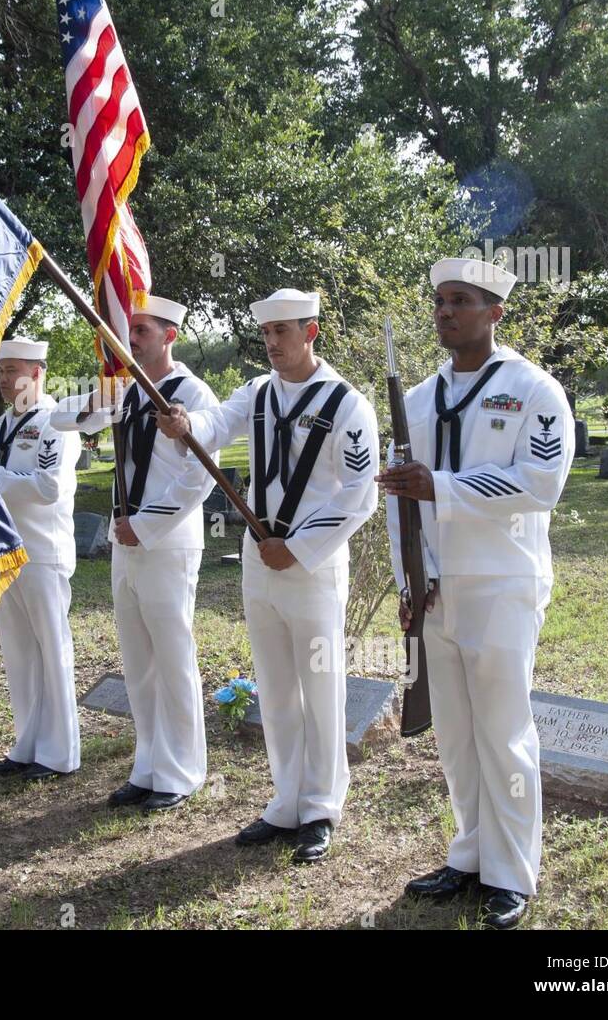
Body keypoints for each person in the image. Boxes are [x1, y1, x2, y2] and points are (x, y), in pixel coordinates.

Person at [376, 257, 574, 929]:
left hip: (502, 582)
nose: (445, 311)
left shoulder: (534, 389)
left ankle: (512, 871)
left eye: (461, 300)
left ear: (495, 311)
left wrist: (445, 487)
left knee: (503, 731)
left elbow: (539, 484)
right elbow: (399, 496)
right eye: (439, 300)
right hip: (436, 589)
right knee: (456, 734)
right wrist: (408, 580)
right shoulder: (419, 398)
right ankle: (470, 853)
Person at [159, 288, 378, 862]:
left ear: (311, 333)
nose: (273, 343)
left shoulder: (346, 403)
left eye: (283, 332)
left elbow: (360, 496)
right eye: (266, 334)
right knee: (276, 686)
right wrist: (187, 423)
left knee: (320, 689)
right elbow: (215, 422)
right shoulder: (257, 393)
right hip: (259, 558)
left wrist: (301, 547)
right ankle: (286, 800)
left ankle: (322, 806)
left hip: (313, 564)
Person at [50, 297, 217, 813]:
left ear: (169, 336)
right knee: (138, 659)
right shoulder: (121, 388)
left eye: (141, 330)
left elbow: (199, 477)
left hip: (167, 540)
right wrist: (98, 400)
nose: (132, 338)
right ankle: (147, 765)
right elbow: (59, 416)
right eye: (128, 329)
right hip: (128, 540)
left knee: (172, 656)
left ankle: (181, 771)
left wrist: (145, 526)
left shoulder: (191, 392)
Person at [0, 337, 82, 781]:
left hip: (43, 552)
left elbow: (48, 487)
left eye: (14, 370)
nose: (5, 380)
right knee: (20, 653)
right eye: (1, 372)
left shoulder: (56, 423)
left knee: (51, 648)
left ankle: (59, 753)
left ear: (38, 372)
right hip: (5, 551)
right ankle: (27, 744)